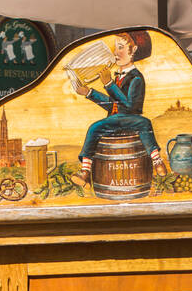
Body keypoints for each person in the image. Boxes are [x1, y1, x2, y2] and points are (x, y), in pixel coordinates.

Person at [69, 30, 166, 189]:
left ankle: (157, 162)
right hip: (117, 119)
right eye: (116, 48)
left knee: (144, 123)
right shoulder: (118, 77)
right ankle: (85, 172)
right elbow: (112, 103)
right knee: (94, 128)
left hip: (131, 118)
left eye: (120, 47)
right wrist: (89, 93)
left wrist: (109, 84)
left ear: (133, 50)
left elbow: (128, 105)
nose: (116, 53)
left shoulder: (136, 77)